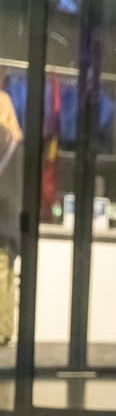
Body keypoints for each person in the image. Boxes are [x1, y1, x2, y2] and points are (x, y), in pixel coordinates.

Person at [0, 74, 23, 346]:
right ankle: (5, 330)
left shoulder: (2, 137)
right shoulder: (18, 142)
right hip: (12, 216)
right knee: (6, 275)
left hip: (0, 213)